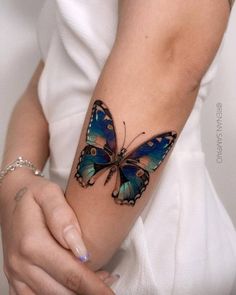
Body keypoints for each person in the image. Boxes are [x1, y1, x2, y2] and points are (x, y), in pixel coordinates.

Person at [1, 0, 236, 294]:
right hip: (81, 234)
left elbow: (167, 64)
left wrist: (57, 259)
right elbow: (47, 83)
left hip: (155, 250)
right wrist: (15, 180)